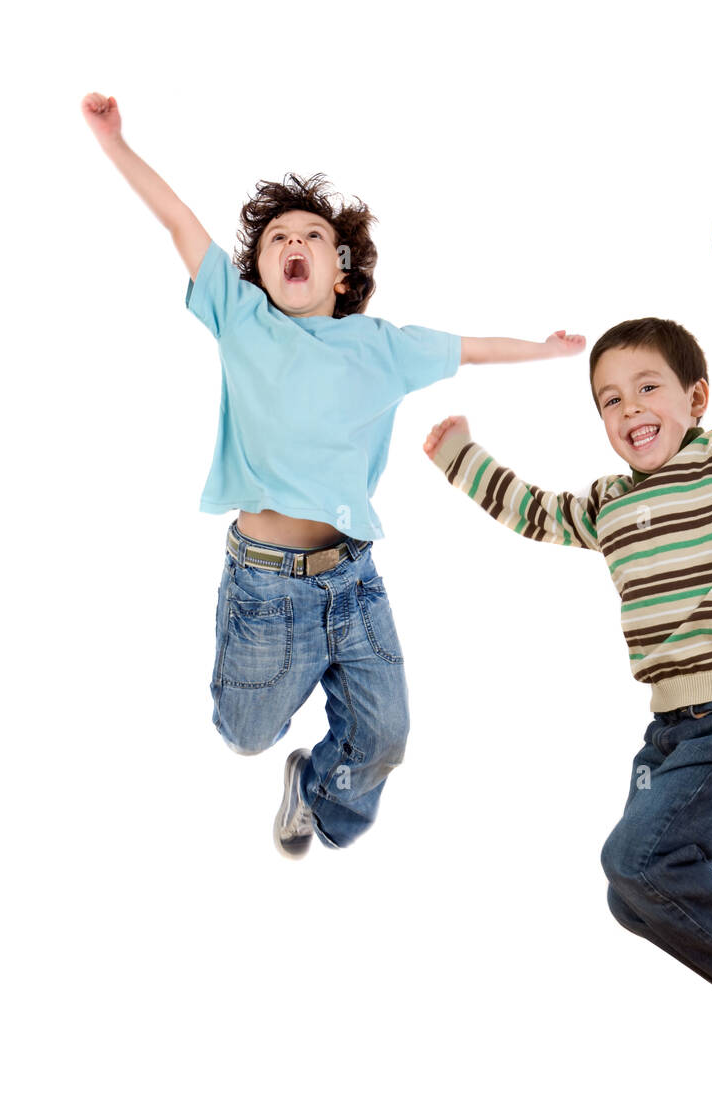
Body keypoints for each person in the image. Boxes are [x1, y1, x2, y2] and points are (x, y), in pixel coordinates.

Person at [80, 92, 584, 857]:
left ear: (341, 276)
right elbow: (180, 222)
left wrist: (545, 350)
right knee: (243, 736)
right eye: (277, 237)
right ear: (257, 271)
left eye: (311, 236)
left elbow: (472, 348)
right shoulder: (240, 320)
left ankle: (316, 796)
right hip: (265, 585)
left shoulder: (380, 347)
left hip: (352, 579)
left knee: (386, 737)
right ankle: (281, 720)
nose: (293, 243)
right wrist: (115, 143)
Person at [423, 219, 712, 1069]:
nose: (629, 410)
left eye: (647, 389)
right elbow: (533, 512)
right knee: (631, 893)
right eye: (610, 400)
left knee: (636, 859)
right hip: (670, 731)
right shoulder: (608, 503)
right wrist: (461, 457)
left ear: (694, 399)